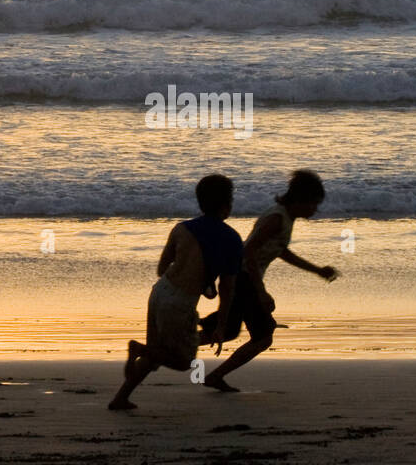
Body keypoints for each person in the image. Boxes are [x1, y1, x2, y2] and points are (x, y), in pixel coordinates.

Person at [109, 175, 243, 411]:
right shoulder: (232, 239)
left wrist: (194, 273)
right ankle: (137, 348)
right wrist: (221, 325)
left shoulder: (181, 228)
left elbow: (162, 269)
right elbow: (227, 288)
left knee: (157, 354)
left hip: (160, 293)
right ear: (227, 204)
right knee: (183, 361)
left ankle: (121, 398)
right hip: (180, 302)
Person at [199, 170, 337, 393]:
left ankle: (168, 347)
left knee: (228, 332)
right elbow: (248, 251)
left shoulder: (284, 217)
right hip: (243, 279)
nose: (315, 209)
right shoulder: (277, 219)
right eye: (314, 203)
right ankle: (212, 374)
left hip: (241, 278)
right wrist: (260, 291)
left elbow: (281, 251)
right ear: (301, 199)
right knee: (263, 337)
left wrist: (317, 270)